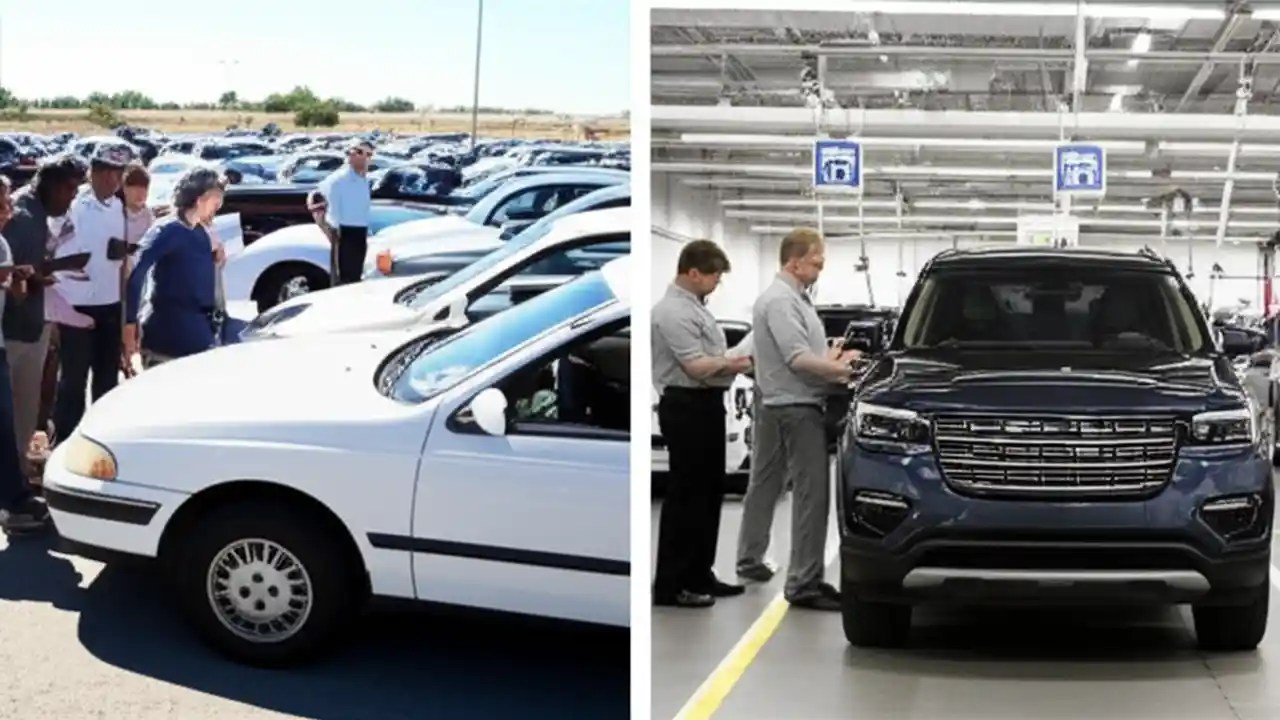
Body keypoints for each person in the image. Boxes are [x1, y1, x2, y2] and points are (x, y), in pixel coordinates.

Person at [735, 227, 861, 611]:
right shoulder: (781, 302)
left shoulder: (793, 299)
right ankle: (804, 582)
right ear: (794, 262)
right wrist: (843, 372)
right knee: (812, 493)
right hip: (795, 406)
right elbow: (798, 359)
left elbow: (802, 354)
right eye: (816, 262)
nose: (820, 269)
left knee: (765, 483)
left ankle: (750, 557)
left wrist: (831, 357)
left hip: (777, 402)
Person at [651, 240, 753, 608]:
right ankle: (673, 584)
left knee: (709, 493)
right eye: (714, 276)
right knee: (687, 497)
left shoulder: (695, 308)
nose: (716, 283)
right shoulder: (673, 312)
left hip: (706, 404)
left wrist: (726, 362)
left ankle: (699, 573)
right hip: (686, 405)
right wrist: (734, 363)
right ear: (693, 273)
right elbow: (695, 366)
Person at [1, 154, 85, 471]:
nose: (71, 199)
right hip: (14, 333)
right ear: (50, 185)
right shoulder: (22, 217)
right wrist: (36, 279)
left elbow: (28, 266)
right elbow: (11, 275)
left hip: (32, 325)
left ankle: (19, 474)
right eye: (68, 190)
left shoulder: (37, 214)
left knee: (24, 413)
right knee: (18, 415)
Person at [51, 141, 134, 443]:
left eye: (119, 174)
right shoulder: (75, 206)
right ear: (93, 172)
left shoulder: (119, 207)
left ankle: (102, 440)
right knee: (73, 381)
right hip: (76, 305)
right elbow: (54, 251)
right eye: (106, 172)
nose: (113, 180)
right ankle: (64, 442)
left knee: (106, 379)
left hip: (109, 303)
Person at [124, 166, 226, 369]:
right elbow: (136, 273)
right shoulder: (168, 230)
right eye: (216, 203)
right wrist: (129, 324)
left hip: (199, 331)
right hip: (169, 332)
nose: (217, 209)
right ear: (201, 199)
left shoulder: (201, 231)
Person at [0, 176, 50, 529]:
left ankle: (14, 503)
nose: (8, 211)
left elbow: (15, 296)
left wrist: (21, 279)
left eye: (7, 203)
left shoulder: (3, 245)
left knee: (4, 425)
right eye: (1, 204)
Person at [316, 139, 373, 285]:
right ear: (350, 154)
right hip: (344, 233)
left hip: (361, 233)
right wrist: (335, 235)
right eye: (360, 152)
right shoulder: (337, 180)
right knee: (344, 280)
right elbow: (331, 211)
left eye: (369, 155)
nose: (365, 158)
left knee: (356, 278)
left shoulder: (364, 180)